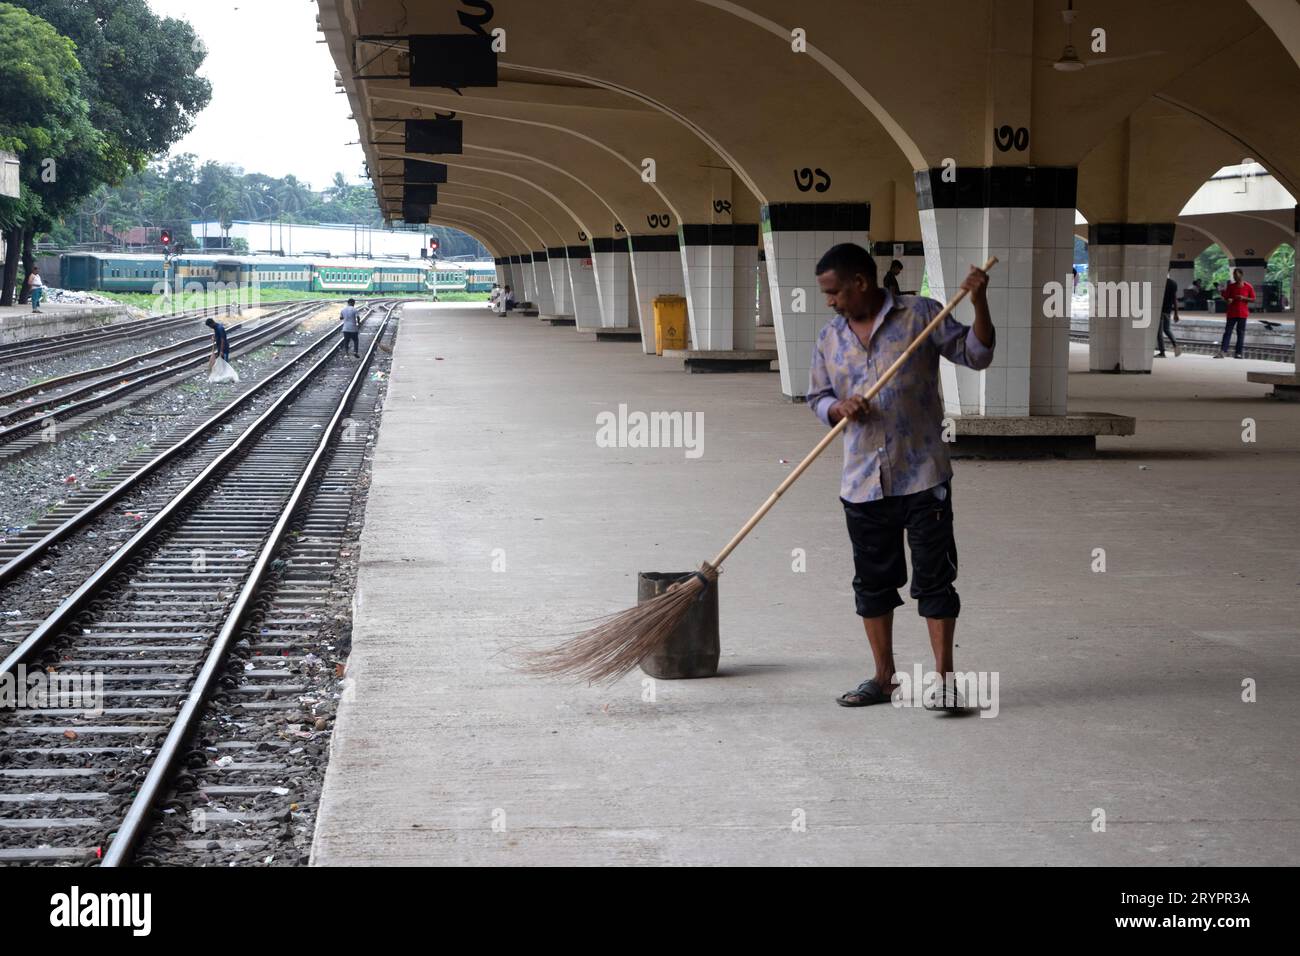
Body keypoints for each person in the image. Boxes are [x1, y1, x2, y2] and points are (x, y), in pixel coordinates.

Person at [807, 243, 995, 711]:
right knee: (872, 585)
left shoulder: (921, 315)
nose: (830, 301)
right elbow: (817, 397)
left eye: (834, 292)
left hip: (923, 475)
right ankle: (883, 677)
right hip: (862, 482)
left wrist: (979, 303)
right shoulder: (830, 338)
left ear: (860, 283)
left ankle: (945, 681)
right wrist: (838, 407)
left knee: (934, 582)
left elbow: (977, 354)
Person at [1215, 268, 1255, 359]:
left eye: (1236, 275)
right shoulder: (1231, 286)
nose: (1235, 277)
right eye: (1234, 275)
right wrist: (1228, 300)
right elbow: (1225, 297)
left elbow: (1253, 299)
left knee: (1240, 333)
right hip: (1231, 313)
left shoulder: (1248, 286)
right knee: (1227, 332)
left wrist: (1243, 298)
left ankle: (1238, 353)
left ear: (1241, 275)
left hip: (1242, 313)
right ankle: (1223, 351)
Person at [1156, 274, 1182, 358]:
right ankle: (1176, 345)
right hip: (1168, 310)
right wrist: (1176, 313)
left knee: (1159, 332)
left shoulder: (1158, 282)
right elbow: (1175, 299)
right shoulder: (1173, 283)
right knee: (1167, 329)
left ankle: (1162, 352)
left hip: (1159, 310)